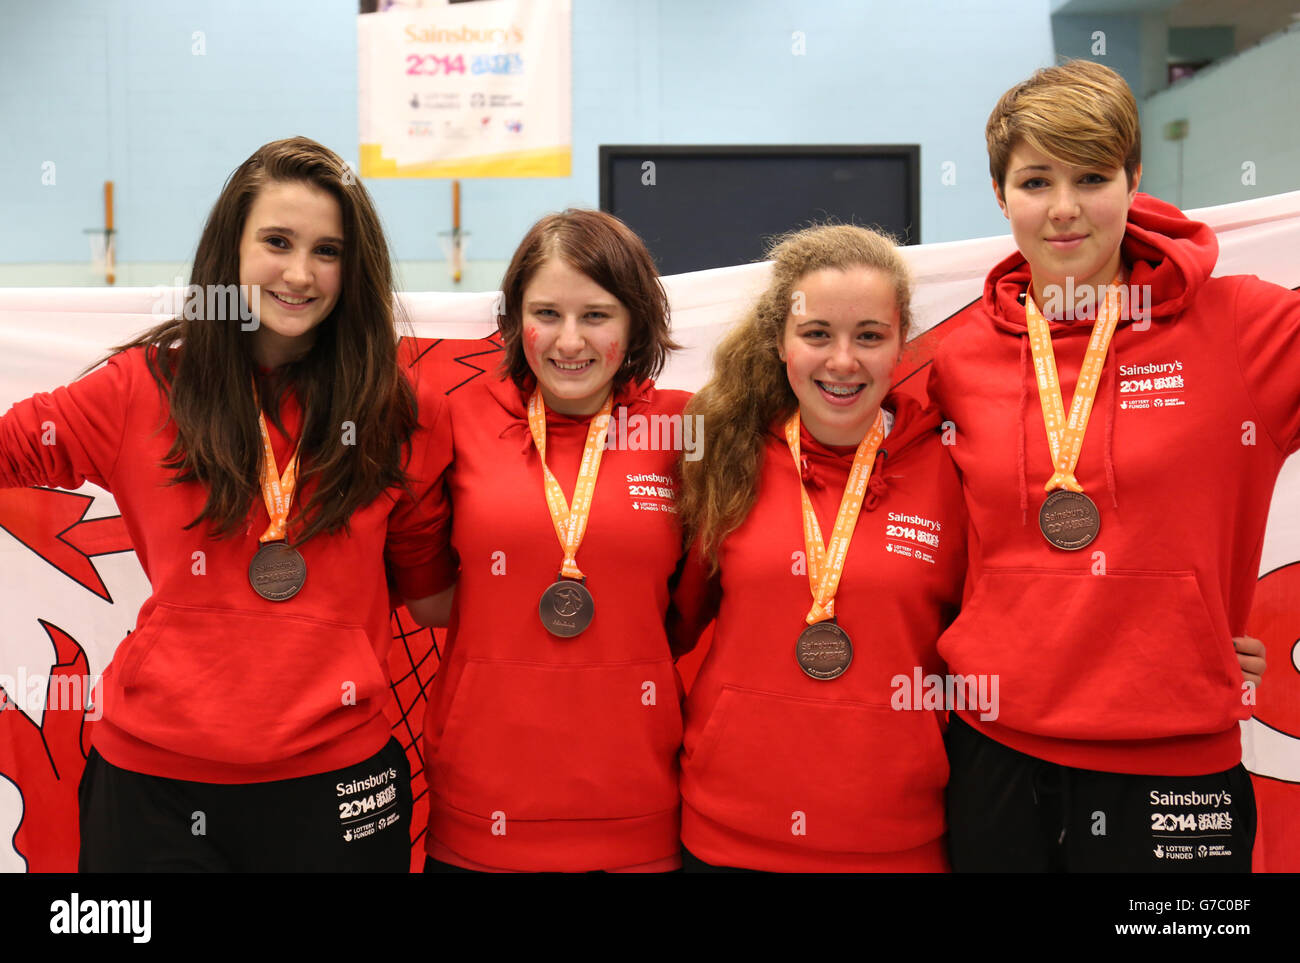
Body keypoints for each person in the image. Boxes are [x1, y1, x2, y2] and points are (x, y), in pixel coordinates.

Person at [0, 136, 452, 871]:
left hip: (340, 784)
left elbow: (433, 593)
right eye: (277, 241)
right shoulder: (138, 391)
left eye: (328, 250)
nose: (300, 273)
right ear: (229, 250)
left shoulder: (403, 413)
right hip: (155, 789)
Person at [928, 60, 1297, 872]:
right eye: (1035, 181)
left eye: (1092, 176)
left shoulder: (1242, 325)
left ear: (1135, 179)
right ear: (999, 195)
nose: (1063, 209)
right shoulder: (958, 356)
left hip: (1176, 765)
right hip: (996, 753)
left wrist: (1191, 629)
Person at [669, 225, 968, 871]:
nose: (842, 360)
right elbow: (667, 622)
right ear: (781, 341)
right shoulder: (726, 453)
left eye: (868, 335)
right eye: (816, 334)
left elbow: (1018, 616)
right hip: (727, 833)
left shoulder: (954, 465)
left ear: (900, 344)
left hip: (897, 840)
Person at [413, 209, 691, 873]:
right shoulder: (457, 418)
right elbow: (428, 601)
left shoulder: (685, 428)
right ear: (515, 321)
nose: (569, 341)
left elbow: (698, 605)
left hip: (638, 810)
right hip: (486, 808)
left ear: (635, 322)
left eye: (597, 315)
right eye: (547, 313)